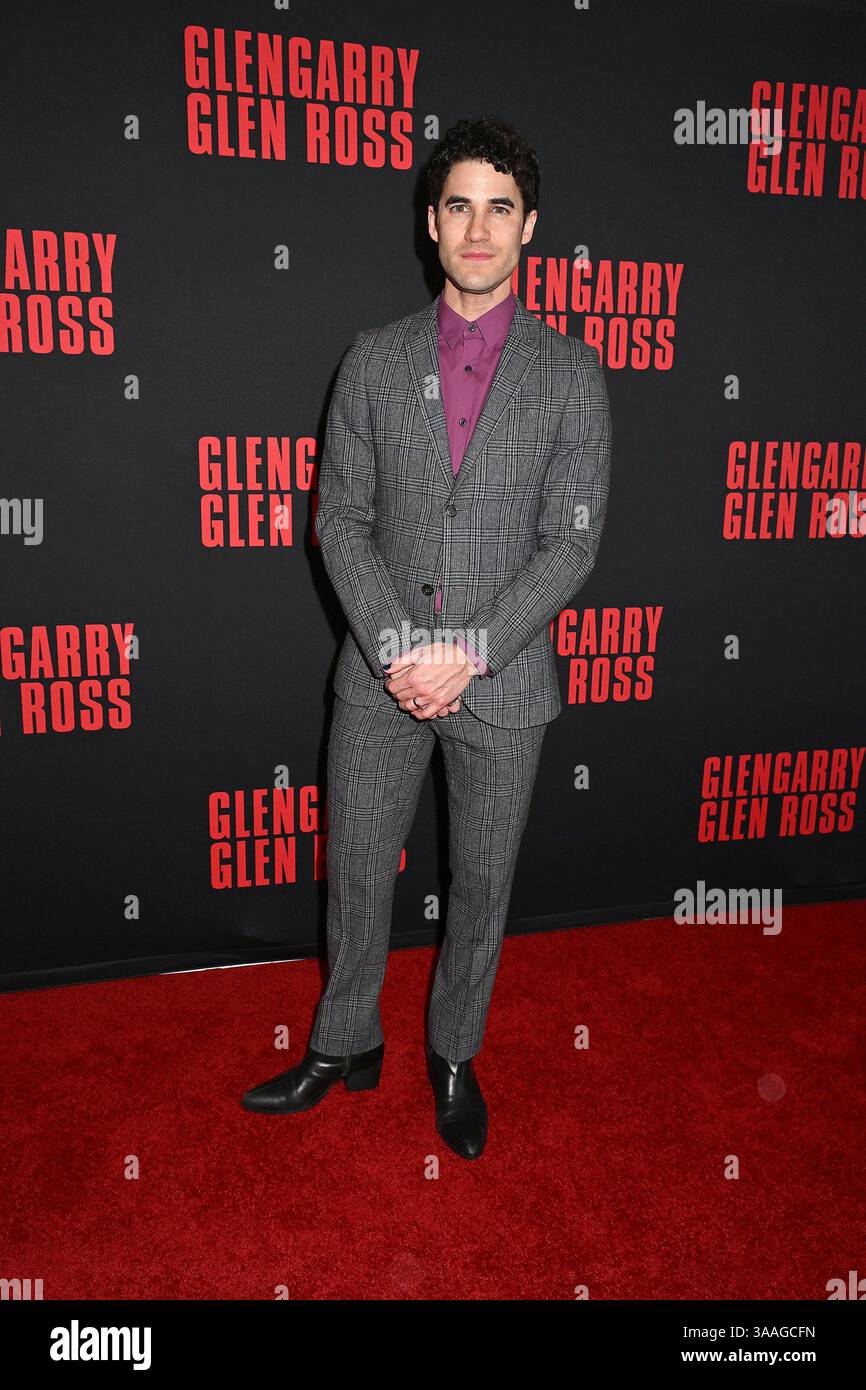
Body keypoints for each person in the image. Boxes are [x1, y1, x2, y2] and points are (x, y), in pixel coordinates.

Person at [242, 115, 612, 1160]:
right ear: (430, 223)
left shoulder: (572, 374)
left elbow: (570, 544)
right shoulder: (370, 360)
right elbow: (339, 521)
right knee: (356, 868)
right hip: (378, 672)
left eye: (500, 207)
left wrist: (468, 650)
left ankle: (453, 1051)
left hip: (502, 682)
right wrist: (404, 645)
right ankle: (342, 1040)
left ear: (528, 227)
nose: (478, 226)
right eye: (459, 205)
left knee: (483, 885)